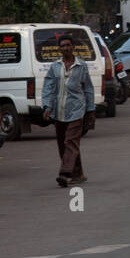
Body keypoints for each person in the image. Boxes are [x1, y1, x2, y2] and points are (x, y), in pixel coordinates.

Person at [41, 35, 95, 188]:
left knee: (70, 142)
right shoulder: (55, 67)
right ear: (59, 48)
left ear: (73, 47)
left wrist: (91, 109)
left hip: (76, 110)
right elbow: (48, 88)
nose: (65, 48)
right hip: (59, 111)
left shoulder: (81, 66)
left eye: (68, 45)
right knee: (63, 145)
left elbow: (88, 89)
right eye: (62, 45)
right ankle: (78, 174)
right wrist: (47, 107)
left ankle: (65, 174)